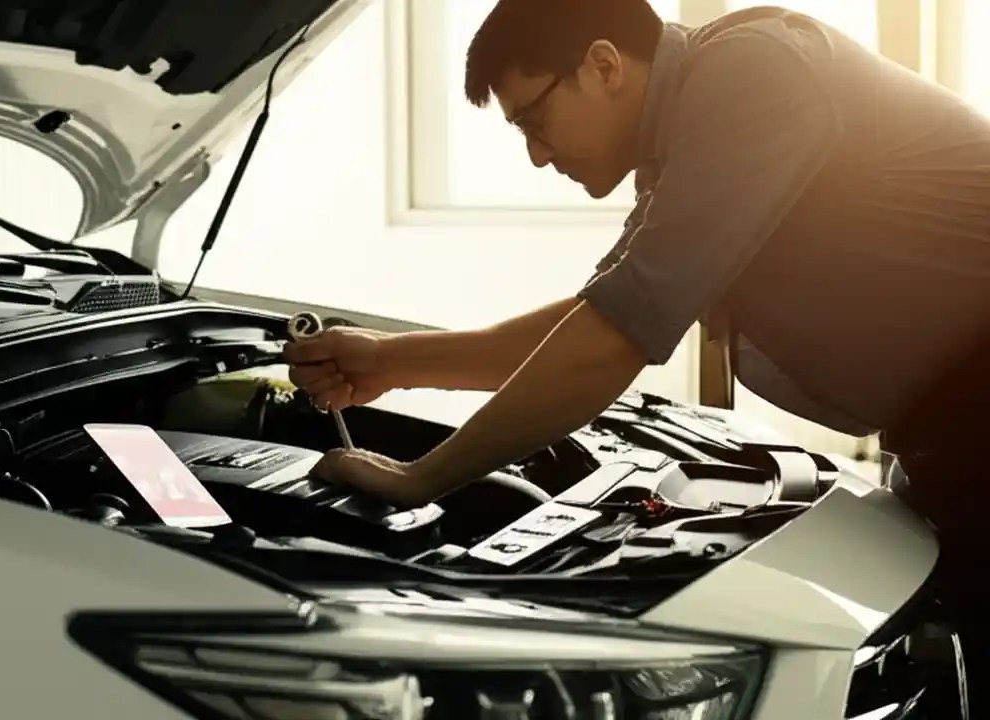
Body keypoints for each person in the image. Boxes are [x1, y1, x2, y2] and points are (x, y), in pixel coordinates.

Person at [284, 0, 990, 698]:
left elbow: (614, 337)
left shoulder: (756, 74)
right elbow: (604, 317)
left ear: (602, 65)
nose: (535, 154)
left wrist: (422, 479)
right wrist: (392, 362)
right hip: (953, 427)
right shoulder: (689, 138)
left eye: (533, 119)